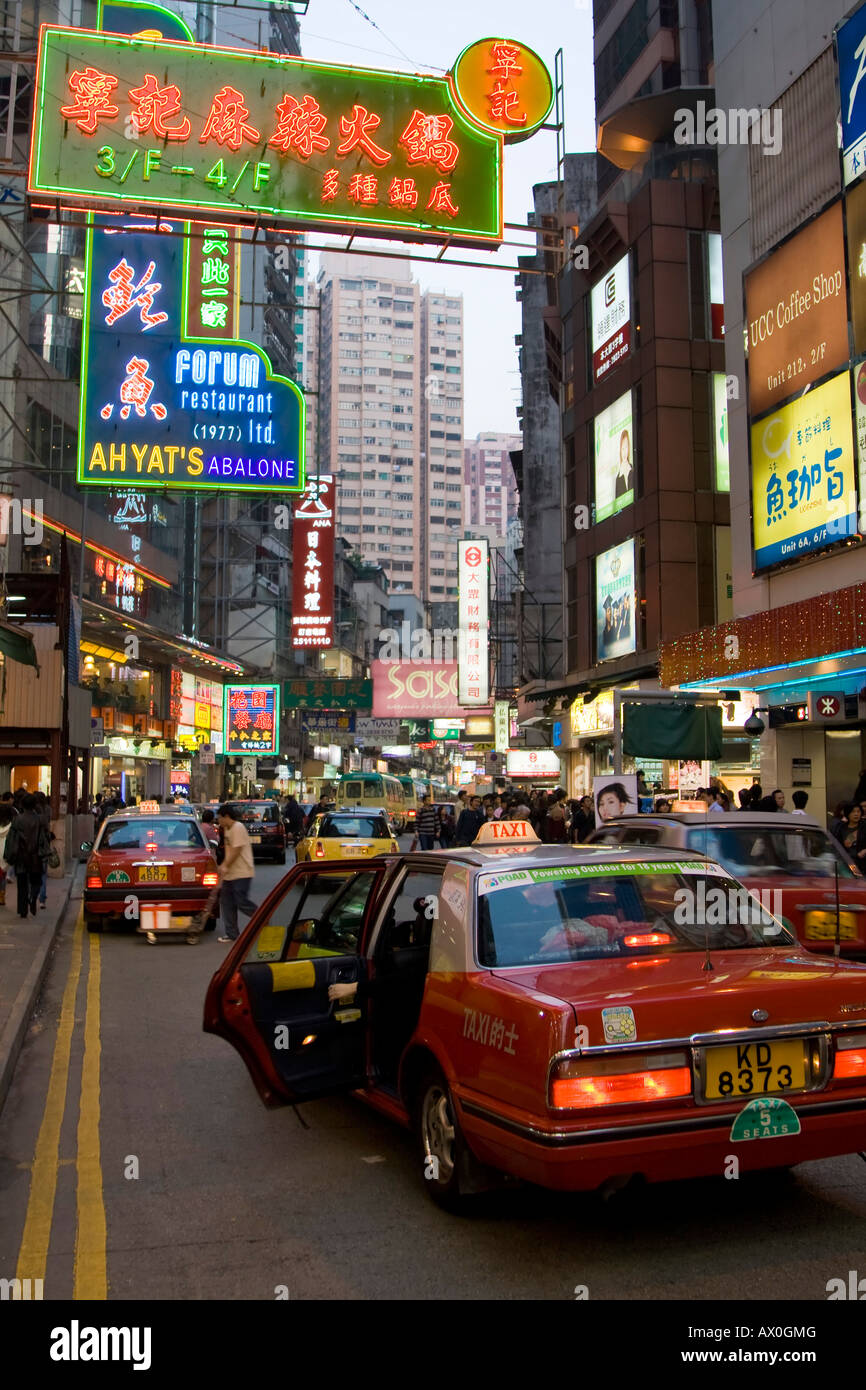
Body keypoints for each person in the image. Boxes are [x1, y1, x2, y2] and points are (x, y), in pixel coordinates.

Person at [216, 803, 258, 943]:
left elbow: (236, 850)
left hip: (242, 872)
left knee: (241, 901)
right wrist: (224, 867)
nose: (219, 822)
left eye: (220, 818)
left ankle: (262, 917)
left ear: (226, 817)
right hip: (230, 873)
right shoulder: (227, 829)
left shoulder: (238, 827)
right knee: (227, 902)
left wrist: (226, 864)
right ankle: (232, 933)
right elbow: (228, 850)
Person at [5, 794, 50, 918]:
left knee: (22, 883)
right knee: (37, 881)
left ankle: (23, 909)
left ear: (22, 805)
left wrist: (9, 854)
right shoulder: (40, 819)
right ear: (34, 805)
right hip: (36, 856)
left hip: (21, 856)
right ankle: (33, 897)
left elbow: (11, 839)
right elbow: (45, 836)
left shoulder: (17, 820)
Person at [615, 427, 633, 500]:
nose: (624, 452)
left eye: (626, 447)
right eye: (622, 448)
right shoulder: (618, 479)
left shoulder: (634, 470)